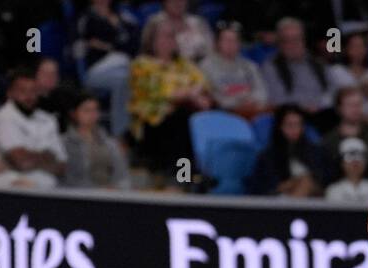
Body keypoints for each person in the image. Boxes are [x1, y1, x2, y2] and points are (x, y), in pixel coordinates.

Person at [128, 16, 210, 174]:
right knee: (182, 120)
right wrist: (191, 95)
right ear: (152, 39)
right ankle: (182, 176)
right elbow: (163, 93)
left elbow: (202, 83)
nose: (170, 40)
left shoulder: (183, 64)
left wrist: (194, 95)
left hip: (183, 114)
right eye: (165, 35)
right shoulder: (142, 65)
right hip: (152, 123)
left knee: (204, 117)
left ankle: (203, 173)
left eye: (173, 36)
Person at [0, 66, 66, 188]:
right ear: (10, 93)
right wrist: (46, 156)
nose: (29, 96)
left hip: (50, 190)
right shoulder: (4, 117)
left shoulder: (48, 119)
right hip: (13, 189)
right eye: (22, 91)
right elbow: (21, 163)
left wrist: (31, 156)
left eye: (33, 91)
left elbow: (62, 166)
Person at [77, 0, 142, 138]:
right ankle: (121, 134)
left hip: (121, 66)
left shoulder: (122, 16)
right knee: (125, 69)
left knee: (129, 77)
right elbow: (85, 42)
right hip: (96, 70)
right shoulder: (87, 18)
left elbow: (134, 41)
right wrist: (113, 45)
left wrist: (109, 45)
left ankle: (130, 132)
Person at [63, 92, 131, 189]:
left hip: (111, 194)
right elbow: (70, 177)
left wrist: (118, 188)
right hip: (80, 195)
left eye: (95, 110)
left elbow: (121, 173)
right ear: (74, 113)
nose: (92, 115)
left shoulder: (109, 142)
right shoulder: (64, 143)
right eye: (86, 110)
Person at [200, 20, 268, 115]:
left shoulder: (249, 65)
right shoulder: (206, 66)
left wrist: (252, 101)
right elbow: (213, 96)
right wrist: (238, 103)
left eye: (234, 40)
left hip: (251, 109)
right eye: (226, 40)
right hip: (224, 112)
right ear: (217, 43)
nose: (231, 44)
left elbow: (261, 91)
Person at [324, 135, 368, 203]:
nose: (355, 163)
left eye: (361, 156)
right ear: (341, 163)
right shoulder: (333, 191)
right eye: (349, 156)